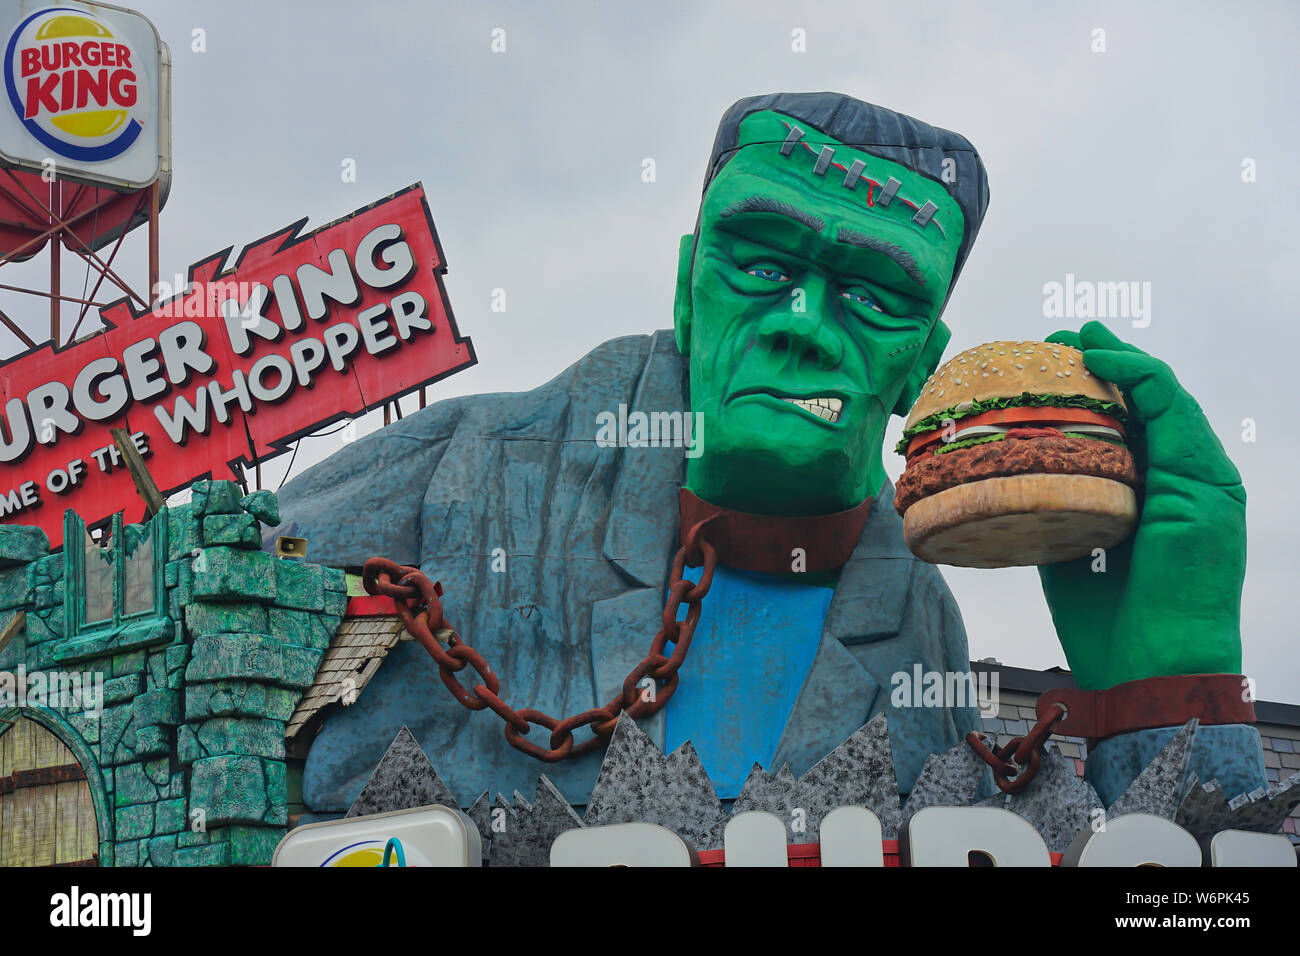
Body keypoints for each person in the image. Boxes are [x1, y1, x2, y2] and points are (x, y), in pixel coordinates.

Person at [272, 92, 1264, 814]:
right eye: (758, 262)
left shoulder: (920, 615)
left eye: (875, 293)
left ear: (920, 365)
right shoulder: (450, 478)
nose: (801, 324)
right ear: (684, 290)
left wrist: (1167, 682)